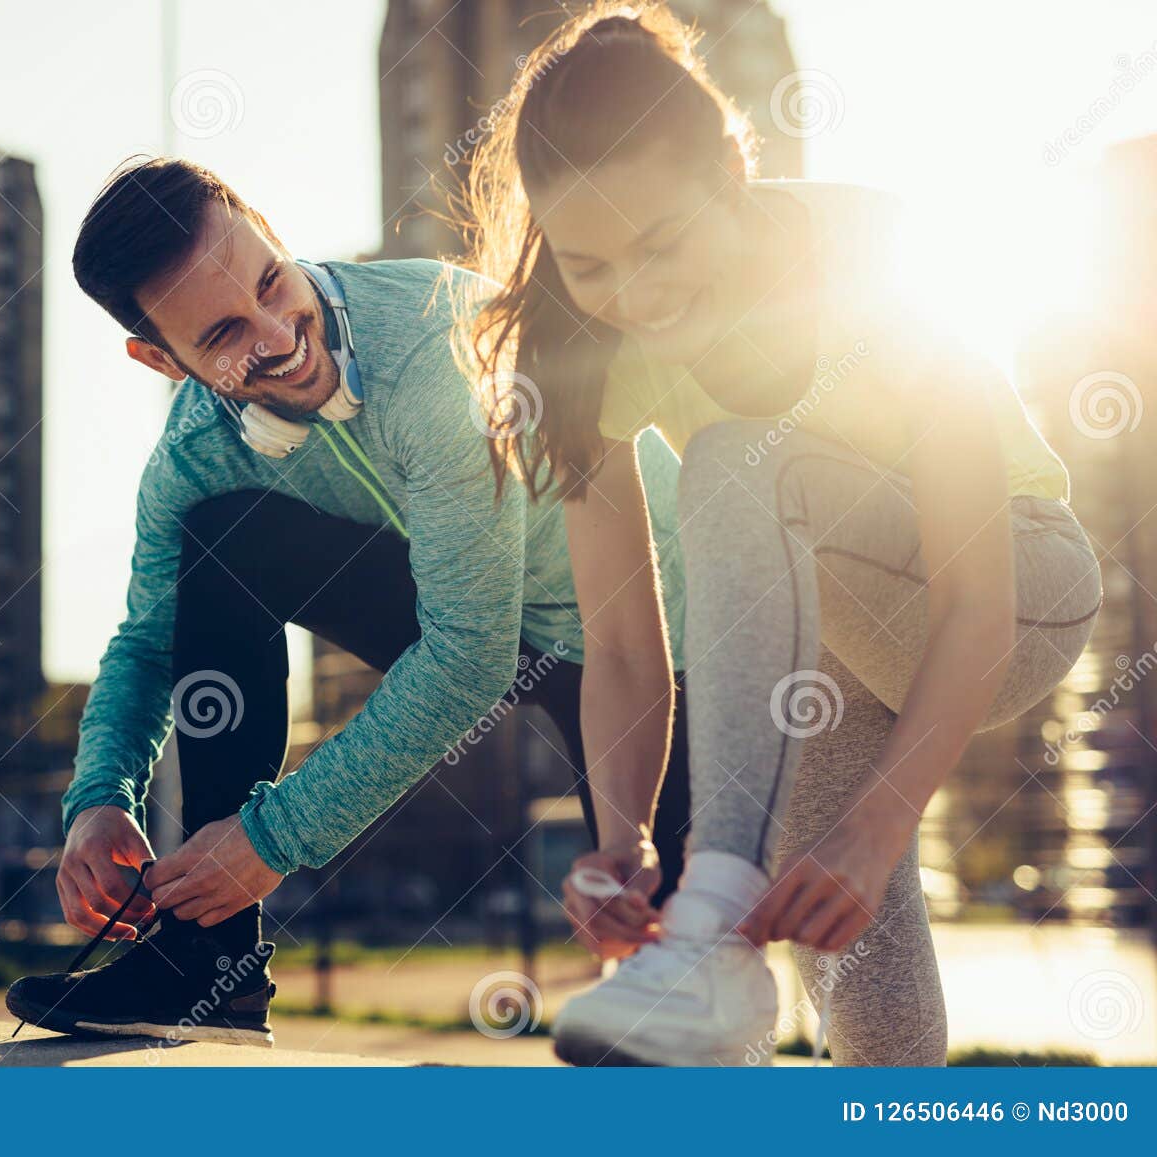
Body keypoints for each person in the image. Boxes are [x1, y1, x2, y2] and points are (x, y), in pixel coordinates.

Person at [456, 1, 1102, 1066]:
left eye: (661, 242)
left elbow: (976, 599)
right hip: (830, 652)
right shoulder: (579, 357)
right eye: (590, 264)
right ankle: (746, 1007)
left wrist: (883, 818)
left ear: (732, 170)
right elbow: (623, 647)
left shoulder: (872, 253)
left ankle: (712, 928)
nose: (636, 294)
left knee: (731, 460)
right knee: (856, 975)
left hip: (1018, 587)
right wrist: (620, 846)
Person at [5, 157, 695, 1047]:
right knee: (220, 538)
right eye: (221, 335)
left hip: (654, 634)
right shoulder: (193, 454)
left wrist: (269, 838)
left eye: (270, 282)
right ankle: (208, 966)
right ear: (159, 361)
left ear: (279, 238)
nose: (280, 336)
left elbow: (467, 660)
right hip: (488, 613)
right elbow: (146, 641)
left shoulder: (432, 348)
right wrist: (99, 798)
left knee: (666, 996)